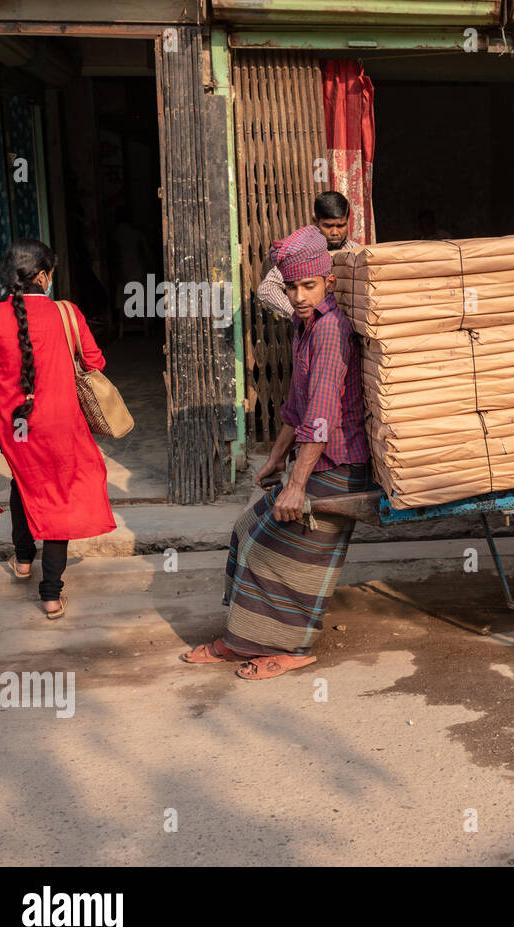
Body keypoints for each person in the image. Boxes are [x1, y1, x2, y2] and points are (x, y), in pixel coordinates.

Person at [181, 225, 370, 680]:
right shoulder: (304, 326)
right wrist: (274, 461)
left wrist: (297, 484)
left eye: (308, 285)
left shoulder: (329, 332)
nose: (300, 295)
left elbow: (321, 417)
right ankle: (240, 640)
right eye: (292, 287)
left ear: (328, 282)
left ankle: (295, 647)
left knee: (273, 553)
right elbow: (295, 407)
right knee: (247, 529)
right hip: (314, 458)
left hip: (338, 467)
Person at [0, 239, 117, 618]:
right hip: (61, 425)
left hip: (14, 425)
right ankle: (50, 594)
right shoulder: (67, 313)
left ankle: (23, 561)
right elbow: (95, 360)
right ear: (42, 276)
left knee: (25, 481)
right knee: (60, 497)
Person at [257, 191, 360, 319]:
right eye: (328, 226)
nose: (335, 232)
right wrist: (299, 314)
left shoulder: (358, 252)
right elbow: (267, 289)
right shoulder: (301, 253)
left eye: (341, 226)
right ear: (315, 221)